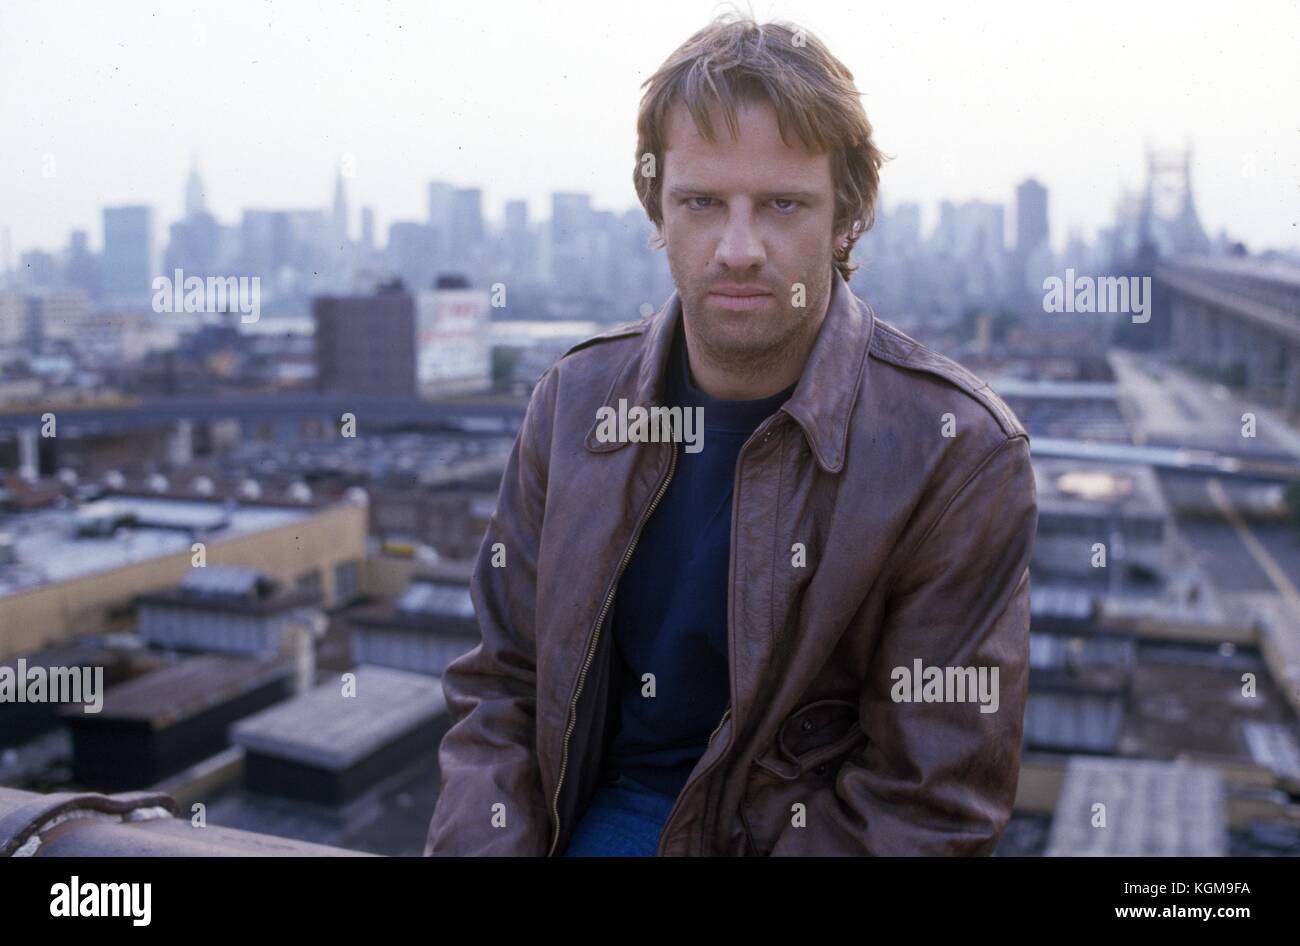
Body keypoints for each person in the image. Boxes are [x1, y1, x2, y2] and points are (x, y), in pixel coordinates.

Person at [425, 11, 1038, 857]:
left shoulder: (957, 453)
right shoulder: (574, 403)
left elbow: (927, 806)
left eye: (782, 204)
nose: (739, 247)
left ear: (846, 213)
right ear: (658, 208)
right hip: (585, 820)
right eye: (702, 203)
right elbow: (500, 690)